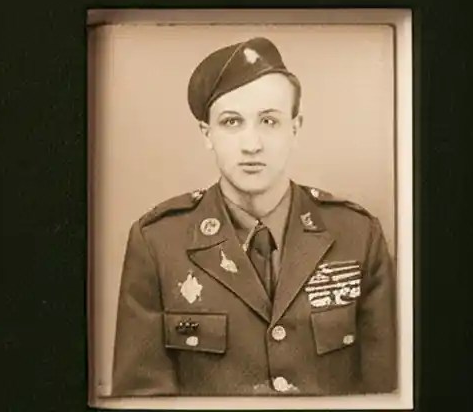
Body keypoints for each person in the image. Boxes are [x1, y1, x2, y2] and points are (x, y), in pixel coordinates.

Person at [111, 37, 397, 397]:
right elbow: (141, 398)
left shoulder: (357, 235)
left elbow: (388, 392)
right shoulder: (157, 243)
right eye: (232, 122)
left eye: (269, 121)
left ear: (295, 127)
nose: (252, 144)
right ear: (207, 134)